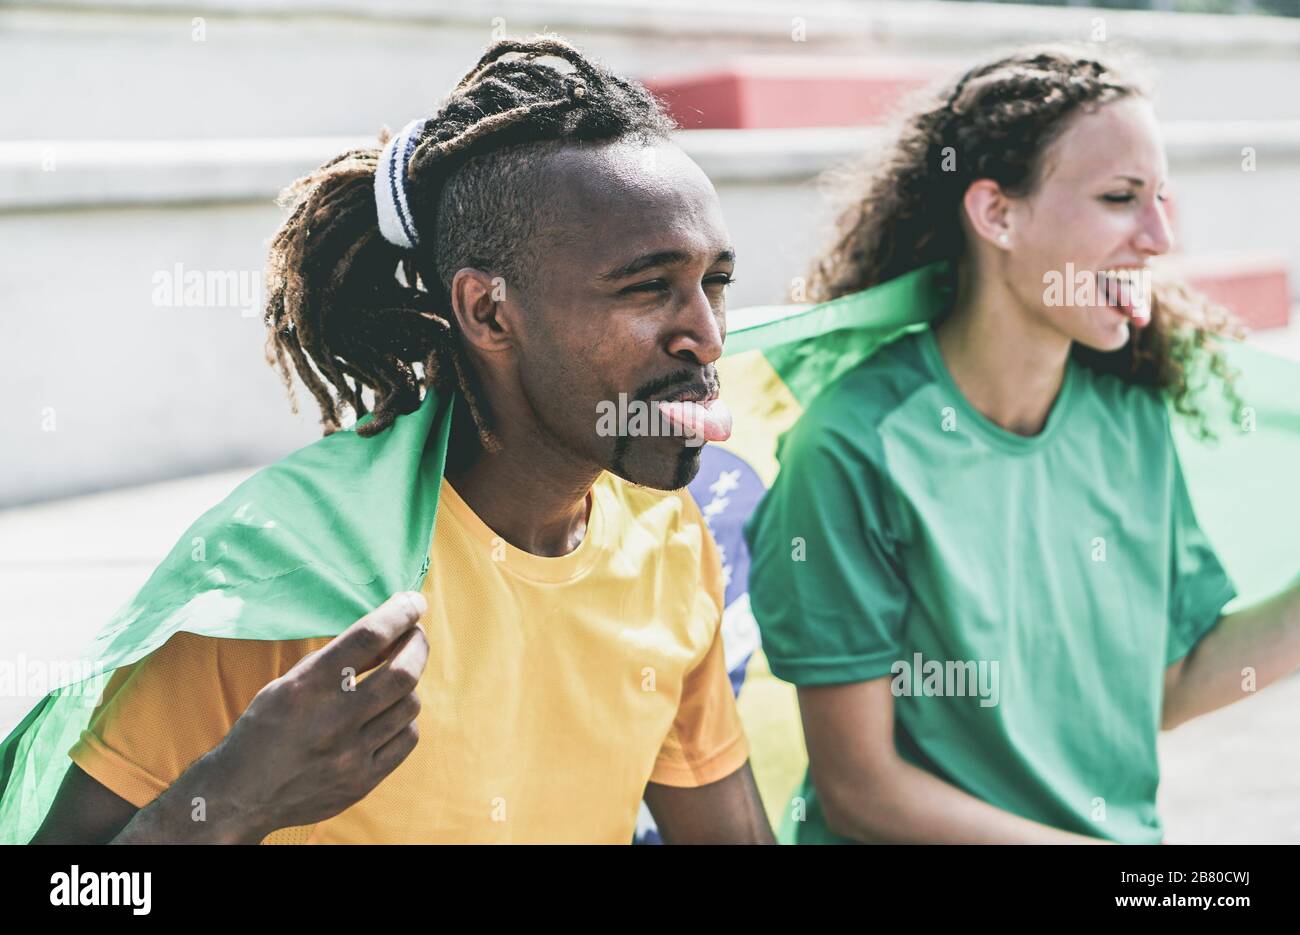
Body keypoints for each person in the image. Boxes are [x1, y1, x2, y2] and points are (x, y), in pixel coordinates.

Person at [29, 36, 772, 844]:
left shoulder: (669, 538)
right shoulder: (285, 575)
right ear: (488, 313)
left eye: (716, 283)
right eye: (649, 287)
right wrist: (235, 799)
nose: (705, 333)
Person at [744, 46, 1300, 844]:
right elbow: (863, 792)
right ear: (997, 214)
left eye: (1162, 201)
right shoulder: (851, 446)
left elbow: (1164, 686)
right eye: (1121, 198)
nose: (1160, 237)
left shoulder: (1131, 415)